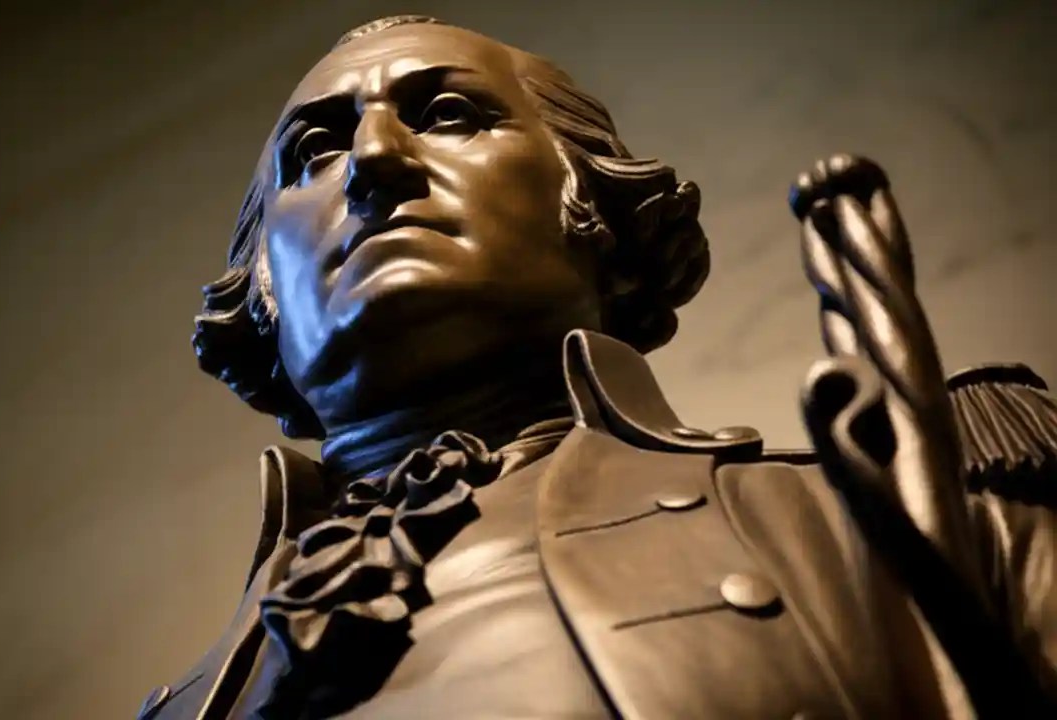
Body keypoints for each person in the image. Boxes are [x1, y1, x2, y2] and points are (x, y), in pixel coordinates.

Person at [136, 15, 1057, 720]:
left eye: (448, 114)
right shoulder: (185, 706)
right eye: (316, 152)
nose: (374, 160)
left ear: (594, 209)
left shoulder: (888, 523)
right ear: (261, 291)